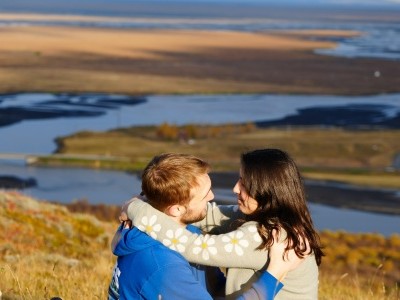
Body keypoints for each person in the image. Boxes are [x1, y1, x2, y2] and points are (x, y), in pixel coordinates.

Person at [123, 149, 324, 299]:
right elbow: (206, 214)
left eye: (245, 184)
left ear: (267, 192)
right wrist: (155, 200)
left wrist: (135, 208)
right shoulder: (267, 216)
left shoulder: (267, 236)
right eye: (239, 179)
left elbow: (192, 247)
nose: (236, 188)